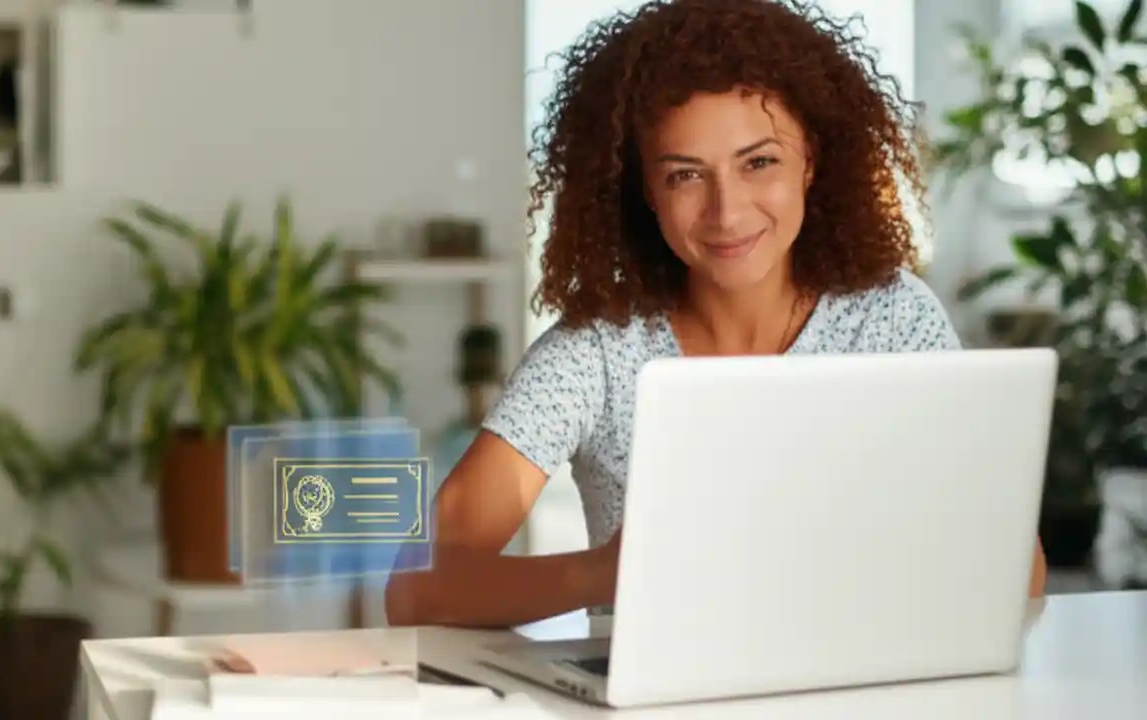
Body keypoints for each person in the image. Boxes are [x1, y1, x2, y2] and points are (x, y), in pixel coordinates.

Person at [385, 0, 1047, 628]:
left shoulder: (894, 319)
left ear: (811, 160)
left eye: (759, 162)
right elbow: (417, 588)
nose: (727, 212)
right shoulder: (597, 354)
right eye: (684, 174)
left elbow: (1022, 573)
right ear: (644, 187)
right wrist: (606, 574)